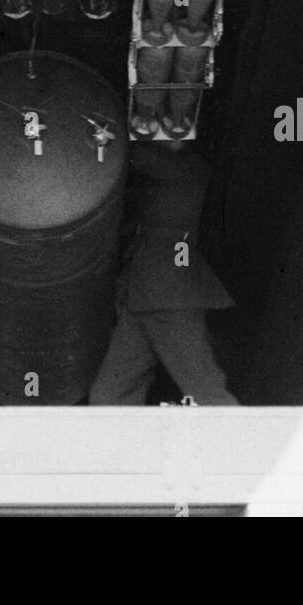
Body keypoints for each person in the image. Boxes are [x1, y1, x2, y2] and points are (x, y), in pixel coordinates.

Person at [88, 136, 237, 405]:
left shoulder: (186, 169)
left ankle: (243, 433)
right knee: (109, 395)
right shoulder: (172, 170)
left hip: (169, 294)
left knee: (207, 392)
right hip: (144, 296)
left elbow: (133, 155)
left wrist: (104, 134)